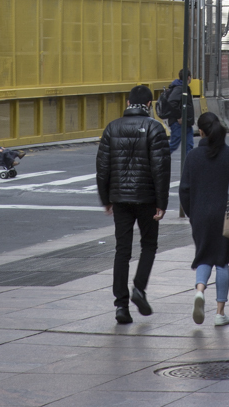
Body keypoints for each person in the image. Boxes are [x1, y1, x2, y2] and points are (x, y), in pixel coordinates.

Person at [96, 84, 171, 325]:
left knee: (122, 250)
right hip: (147, 198)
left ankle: (121, 305)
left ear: (128, 103)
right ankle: (139, 288)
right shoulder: (155, 128)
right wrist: (162, 202)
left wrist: (105, 199)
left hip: (120, 199)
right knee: (149, 245)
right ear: (149, 105)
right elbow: (161, 169)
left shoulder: (112, 128)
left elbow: (102, 168)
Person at [179, 112, 229, 328]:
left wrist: (193, 213)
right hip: (226, 217)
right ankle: (220, 313)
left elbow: (184, 189)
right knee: (222, 261)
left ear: (201, 132)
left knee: (203, 256)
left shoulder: (192, 156)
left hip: (200, 216)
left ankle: (200, 290)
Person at [167, 70, 194, 155]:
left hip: (186, 123)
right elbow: (171, 102)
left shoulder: (183, 87)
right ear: (189, 77)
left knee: (189, 146)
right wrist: (179, 116)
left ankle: (188, 163)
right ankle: (159, 159)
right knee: (173, 145)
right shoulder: (180, 88)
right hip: (178, 123)